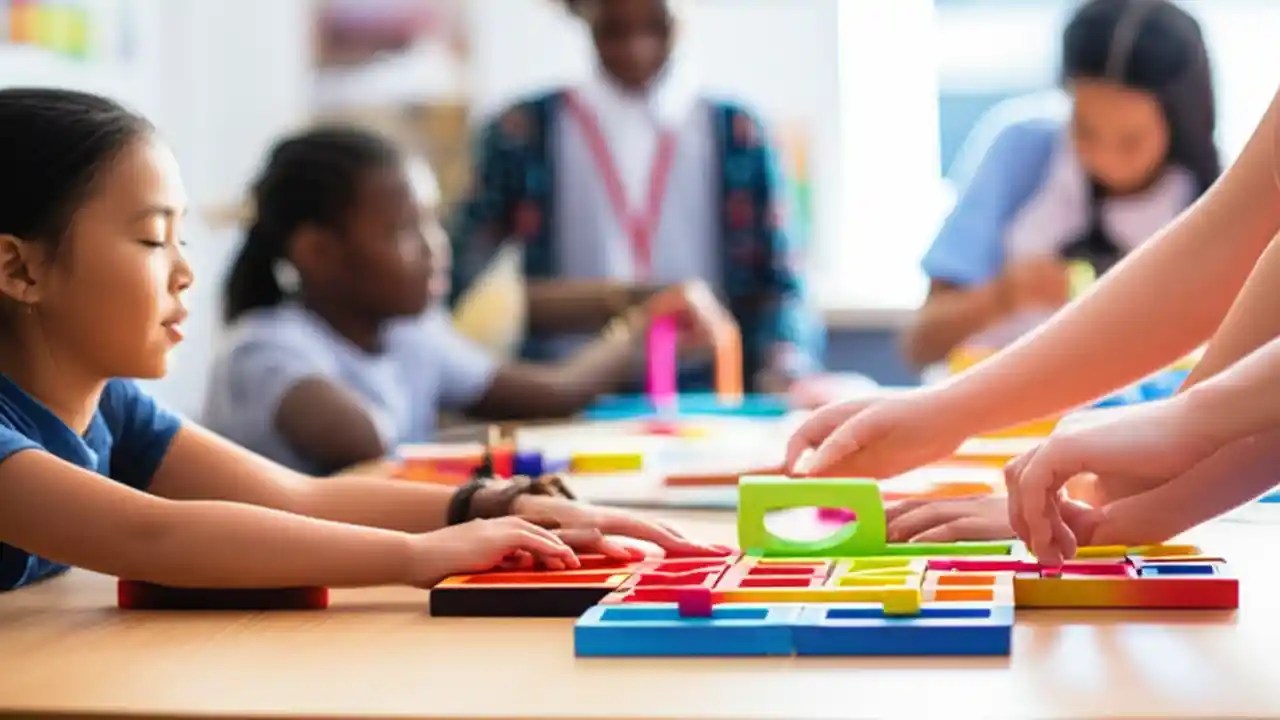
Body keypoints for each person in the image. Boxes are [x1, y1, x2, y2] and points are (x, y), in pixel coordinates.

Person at [0, 87, 726, 593]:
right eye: (152, 239)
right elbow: (151, 537)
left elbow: (300, 497)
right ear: (19, 268)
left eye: (181, 236)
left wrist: (492, 507)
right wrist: (418, 554)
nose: (186, 271)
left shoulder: (113, 409)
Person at [785, 72, 1280, 552]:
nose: (1107, 157)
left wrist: (1180, 433)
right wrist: (947, 411)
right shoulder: (1022, 148)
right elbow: (1225, 244)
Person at [204, 126, 732, 476]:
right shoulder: (265, 349)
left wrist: (640, 327)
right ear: (317, 251)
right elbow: (363, 447)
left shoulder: (410, 332)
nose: (437, 248)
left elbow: (551, 392)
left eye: (434, 221)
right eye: (404, 232)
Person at [448, 0, 824, 393]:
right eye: (612, 30)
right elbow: (466, 282)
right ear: (583, 17)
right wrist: (623, 302)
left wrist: (785, 367)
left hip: (707, 394)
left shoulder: (739, 133)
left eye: (656, 27)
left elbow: (781, 286)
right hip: (566, 388)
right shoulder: (521, 132)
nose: (636, 48)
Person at [904, 0, 1218, 368]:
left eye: (1131, 141)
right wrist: (1004, 296)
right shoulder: (1022, 152)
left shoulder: (1211, 195)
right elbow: (919, 344)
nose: (1105, 158)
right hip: (1004, 413)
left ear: (1181, 122)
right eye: (1084, 130)